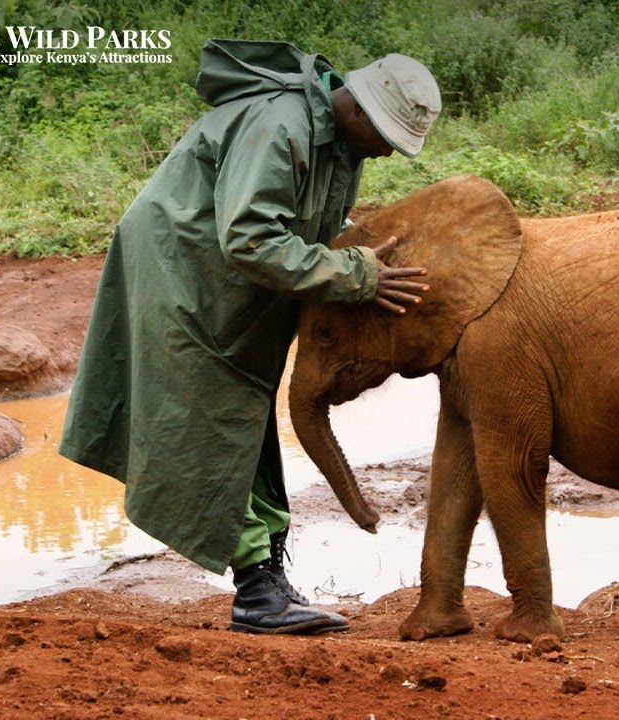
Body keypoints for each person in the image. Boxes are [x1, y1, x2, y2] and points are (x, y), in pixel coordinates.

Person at [58, 39, 441, 635]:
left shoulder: (337, 140)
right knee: (207, 427)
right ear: (360, 109)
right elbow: (251, 239)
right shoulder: (280, 124)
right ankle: (257, 596)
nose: (386, 154)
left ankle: (267, 580)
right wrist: (356, 273)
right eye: (386, 138)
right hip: (181, 274)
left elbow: (310, 221)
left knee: (240, 421)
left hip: (228, 288)